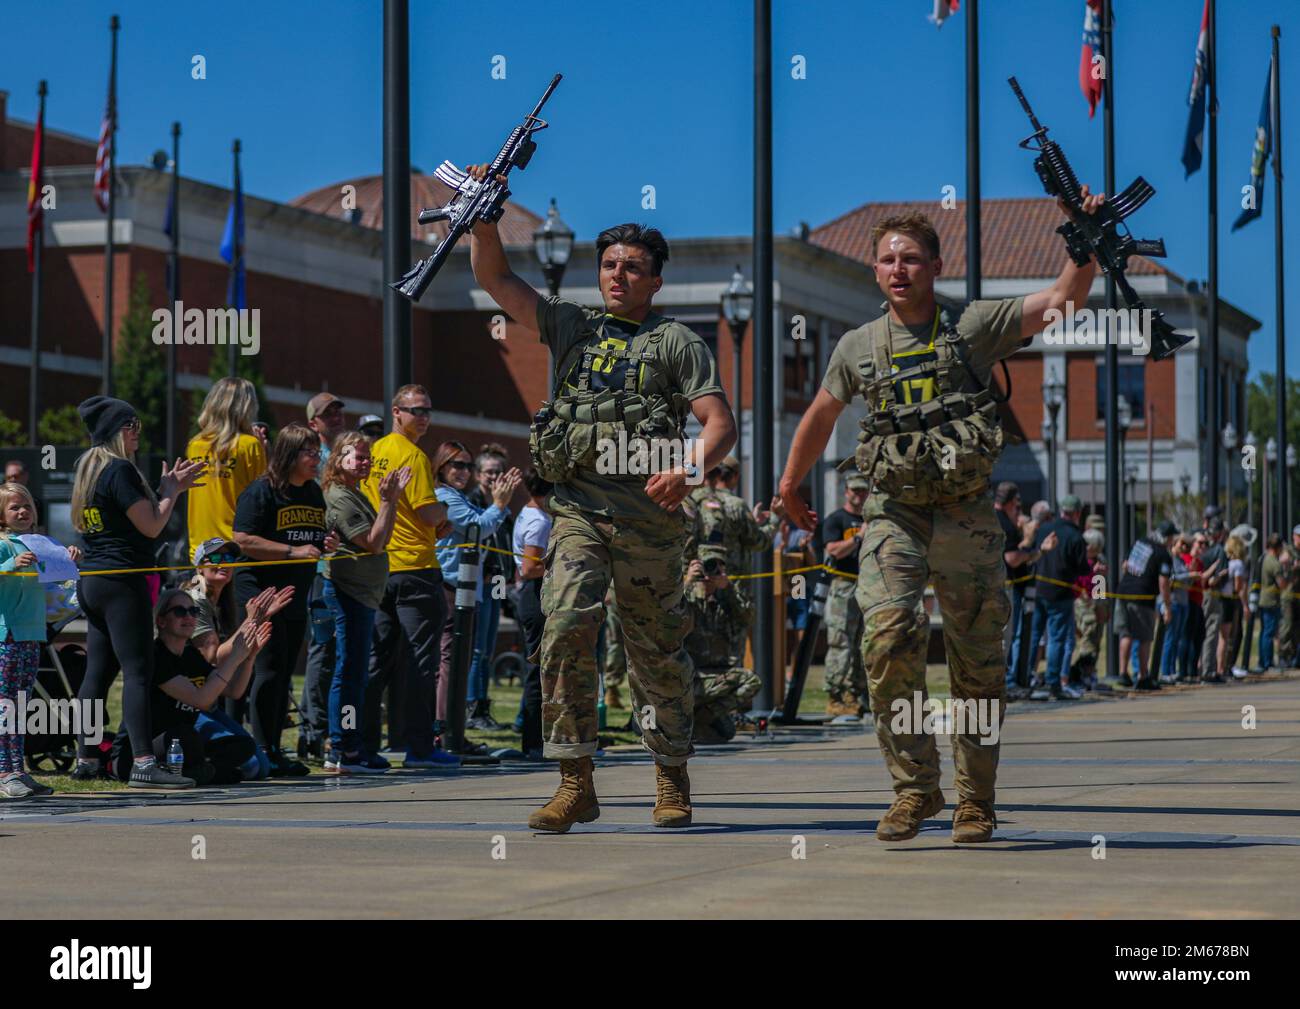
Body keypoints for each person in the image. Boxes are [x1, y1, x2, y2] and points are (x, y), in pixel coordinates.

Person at [777, 195, 1105, 844]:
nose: (898, 270)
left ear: (935, 265)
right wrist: (790, 483)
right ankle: (915, 789)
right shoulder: (859, 345)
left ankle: (976, 799)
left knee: (977, 662)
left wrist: (1084, 245)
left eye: (910, 259)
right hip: (894, 515)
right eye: (887, 260)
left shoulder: (972, 326)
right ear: (875, 271)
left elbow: (1062, 302)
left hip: (966, 517)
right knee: (886, 641)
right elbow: (819, 413)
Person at [470, 199, 736, 832]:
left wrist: (687, 469)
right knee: (563, 628)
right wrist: (483, 221)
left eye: (634, 267)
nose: (618, 275)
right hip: (578, 513)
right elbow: (496, 280)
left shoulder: (675, 342)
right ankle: (574, 781)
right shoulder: (570, 326)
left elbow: (719, 424)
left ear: (656, 280)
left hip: (649, 522)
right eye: (610, 264)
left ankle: (671, 773)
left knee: (655, 653)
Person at [71, 396, 205, 789]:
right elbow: (152, 526)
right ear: (119, 430)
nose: (138, 434)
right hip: (121, 581)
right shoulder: (119, 471)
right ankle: (144, 763)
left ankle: (87, 756)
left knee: (98, 672)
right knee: (138, 671)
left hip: (93, 580)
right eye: (134, 426)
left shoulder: (87, 469)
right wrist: (172, 489)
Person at [232, 423, 338, 776]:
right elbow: (243, 540)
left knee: (285, 672)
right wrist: (293, 551)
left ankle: (275, 748)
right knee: (268, 667)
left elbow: (313, 537)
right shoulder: (261, 492)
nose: (316, 459)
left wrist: (326, 546)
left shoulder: (312, 493)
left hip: (296, 594)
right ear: (289, 455)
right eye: (310, 452)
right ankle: (260, 749)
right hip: (260, 593)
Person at [362, 384, 454, 768]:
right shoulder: (412, 457)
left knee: (376, 660)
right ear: (396, 412)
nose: (424, 417)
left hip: (380, 567)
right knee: (421, 662)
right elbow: (429, 513)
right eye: (416, 410)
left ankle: (361, 746)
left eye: (428, 410)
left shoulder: (374, 452)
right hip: (415, 568)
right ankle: (419, 747)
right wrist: (444, 513)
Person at [108, 587, 271, 784]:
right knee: (185, 736)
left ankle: (199, 771)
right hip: (137, 754)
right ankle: (202, 771)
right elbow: (202, 700)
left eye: (193, 611)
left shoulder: (190, 655)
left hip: (181, 744)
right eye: (179, 611)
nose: (188, 616)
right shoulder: (156, 656)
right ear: (161, 620)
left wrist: (248, 657)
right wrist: (234, 658)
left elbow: (233, 691)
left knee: (243, 745)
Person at [319, 432, 408, 774]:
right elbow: (372, 543)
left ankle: (350, 744)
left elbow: (382, 539)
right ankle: (343, 748)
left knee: (355, 673)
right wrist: (388, 501)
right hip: (349, 594)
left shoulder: (356, 494)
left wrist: (391, 501)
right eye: (357, 455)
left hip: (364, 596)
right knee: (350, 674)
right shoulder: (340, 497)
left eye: (368, 455)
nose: (366, 461)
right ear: (338, 460)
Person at [433, 440, 519, 744]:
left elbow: (497, 540)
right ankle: (446, 728)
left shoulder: (463, 499)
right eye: (458, 464)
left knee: (474, 651)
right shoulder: (450, 498)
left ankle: (456, 725)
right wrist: (499, 504)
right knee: (456, 659)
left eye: (468, 466)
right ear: (442, 466)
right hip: (453, 586)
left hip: (481, 587)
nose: (464, 471)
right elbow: (476, 529)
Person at [185, 538, 292, 782]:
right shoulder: (194, 599)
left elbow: (233, 692)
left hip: (208, 703)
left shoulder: (224, 604)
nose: (224, 563)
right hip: (185, 705)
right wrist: (252, 621)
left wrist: (250, 654)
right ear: (199, 566)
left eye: (230, 558)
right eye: (215, 558)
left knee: (259, 767)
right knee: (249, 765)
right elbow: (209, 657)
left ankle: (204, 761)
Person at [0, 481, 78, 798]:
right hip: (8, 635)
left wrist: (69, 558)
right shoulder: (4, 545)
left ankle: (19, 770)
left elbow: (58, 579)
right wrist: (9, 564)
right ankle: (5, 772)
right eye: (14, 506)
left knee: (20, 708)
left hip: (33, 635)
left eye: (27, 506)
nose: (23, 511)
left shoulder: (38, 543)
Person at [684, 455, 786, 660]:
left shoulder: (691, 502)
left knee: (692, 653)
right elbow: (759, 541)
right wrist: (775, 518)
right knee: (731, 656)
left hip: (693, 586)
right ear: (733, 477)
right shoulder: (735, 505)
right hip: (732, 591)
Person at [459, 443, 522, 730]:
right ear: (477, 474)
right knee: (477, 648)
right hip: (479, 580)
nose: (494, 477)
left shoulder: (504, 505)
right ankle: (473, 706)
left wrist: (510, 573)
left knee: (487, 646)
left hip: (498, 580)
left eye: (498, 471)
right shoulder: (473, 501)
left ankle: (483, 705)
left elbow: (505, 544)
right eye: (488, 472)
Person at [300, 392, 349, 759]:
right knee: (323, 649)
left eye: (338, 411)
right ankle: (314, 731)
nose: (335, 417)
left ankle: (321, 729)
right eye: (327, 414)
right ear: (313, 422)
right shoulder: (314, 460)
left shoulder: (341, 456)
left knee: (333, 651)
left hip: (342, 566)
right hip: (319, 569)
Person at [683, 544, 762, 744]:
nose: (712, 573)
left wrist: (728, 588)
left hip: (717, 677)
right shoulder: (686, 596)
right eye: (709, 565)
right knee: (721, 732)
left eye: (718, 567)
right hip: (688, 677)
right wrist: (687, 581)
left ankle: (699, 719)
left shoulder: (724, 601)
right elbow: (663, 616)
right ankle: (685, 721)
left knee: (727, 731)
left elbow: (746, 618)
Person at [185, 377, 267, 564]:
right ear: (246, 407)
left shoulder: (195, 444)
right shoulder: (249, 446)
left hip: (199, 548)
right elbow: (262, 498)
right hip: (235, 547)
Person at [814, 476, 870, 717]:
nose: (859, 495)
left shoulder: (870, 520)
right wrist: (858, 537)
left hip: (866, 585)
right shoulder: (837, 519)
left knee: (861, 643)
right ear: (846, 491)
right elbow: (833, 550)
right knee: (840, 641)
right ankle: (835, 695)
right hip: (842, 584)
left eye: (863, 491)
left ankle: (853, 694)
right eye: (854, 490)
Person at [995, 482, 1055, 699]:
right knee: (1009, 638)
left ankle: (1014, 680)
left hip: (1015, 587)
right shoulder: (1006, 525)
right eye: (1018, 507)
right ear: (1011, 503)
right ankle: (1008, 682)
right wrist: (1030, 541)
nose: (1020, 513)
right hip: (1009, 588)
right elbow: (1012, 559)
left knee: (1017, 636)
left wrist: (1037, 548)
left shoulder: (1002, 522)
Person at [1027, 494, 1088, 700]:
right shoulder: (1075, 537)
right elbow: (1083, 568)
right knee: (1056, 639)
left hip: (1039, 589)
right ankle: (1054, 682)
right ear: (1077, 513)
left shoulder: (1044, 529)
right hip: (1061, 594)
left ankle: (1027, 677)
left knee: (1034, 636)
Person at [512, 468, 554, 759]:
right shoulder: (538, 520)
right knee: (538, 670)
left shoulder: (531, 513)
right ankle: (533, 742)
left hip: (534, 595)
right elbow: (529, 568)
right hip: (535, 594)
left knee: (541, 669)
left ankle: (538, 740)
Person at [1114, 521, 1177, 691]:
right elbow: (1163, 582)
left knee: (1126, 633)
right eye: (1172, 538)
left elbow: (1125, 564)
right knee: (1145, 637)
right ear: (1168, 538)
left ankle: (1123, 673)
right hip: (1143, 597)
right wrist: (1167, 606)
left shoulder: (1139, 542)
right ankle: (1143, 676)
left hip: (1124, 591)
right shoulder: (1163, 553)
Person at [1070, 527, 1107, 688]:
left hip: (1094, 603)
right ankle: (1083, 674)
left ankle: (1089, 673)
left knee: (1095, 641)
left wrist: (1102, 606)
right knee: (1088, 641)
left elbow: (1100, 589)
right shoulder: (1081, 561)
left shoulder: (1099, 562)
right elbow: (1078, 583)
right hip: (1083, 605)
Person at [1199, 519, 1229, 683]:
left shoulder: (1205, 549)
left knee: (1204, 631)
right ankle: (1208, 670)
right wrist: (1222, 575)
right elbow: (1213, 579)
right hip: (1212, 593)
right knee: (1211, 631)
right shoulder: (1219, 550)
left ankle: (1203, 667)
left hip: (1201, 593)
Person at [1223, 533, 1252, 680]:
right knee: (1235, 634)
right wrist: (1245, 606)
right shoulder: (1239, 564)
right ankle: (1229, 665)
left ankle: (1225, 666)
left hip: (1224, 599)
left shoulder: (1228, 562)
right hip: (1234, 601)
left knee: (1226, 635)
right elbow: (1238, 587)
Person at [1256, 533, 1286, 673]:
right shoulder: (1274, 563)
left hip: (1263, 599)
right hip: (1271, 601)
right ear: (1278, 547)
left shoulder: (1264, 558)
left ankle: (1263, 661)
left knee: (1264, 632)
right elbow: (1282, 584)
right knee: (1269, 632)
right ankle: (1267, 663)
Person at [3, 460, 44, 532]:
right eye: (15, 507)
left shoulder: (36, 502)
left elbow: (40, 528)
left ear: (26, 476)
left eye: (16, 476)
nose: (12, 480)